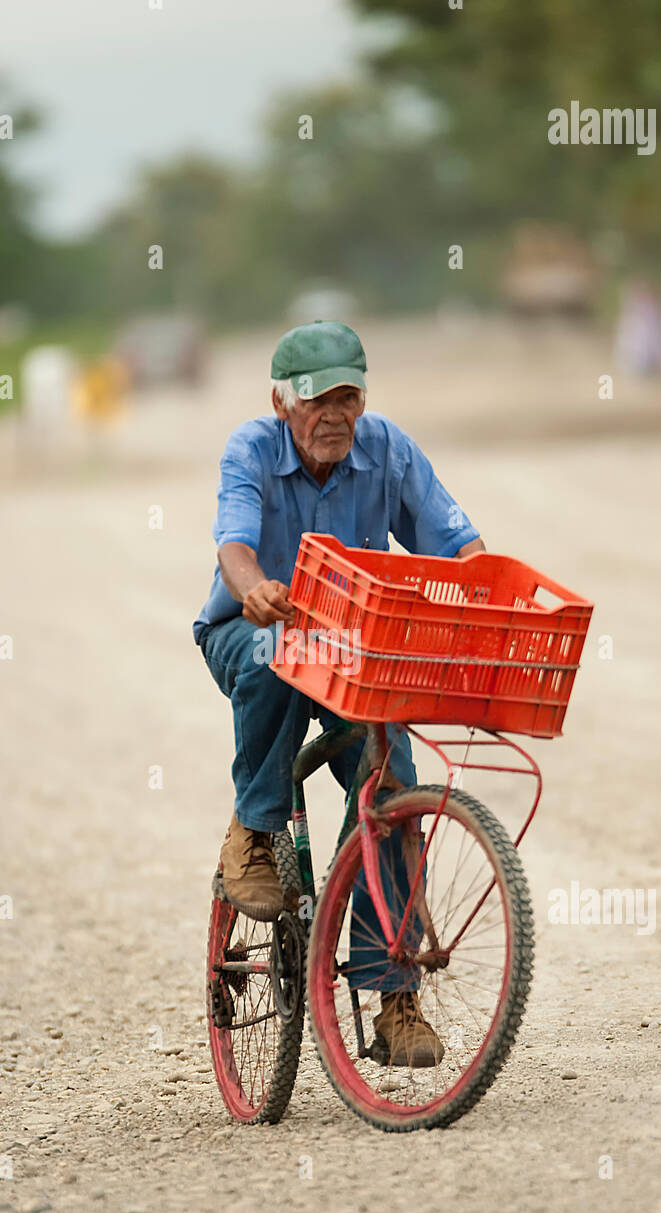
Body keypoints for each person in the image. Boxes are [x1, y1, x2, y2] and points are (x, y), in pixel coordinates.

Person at [193, 321, 485, 1064]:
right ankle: (254, 831)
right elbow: (234, 543)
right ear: (281, 402)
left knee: (389, 784)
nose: (335, 415)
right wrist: (255, 586)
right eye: (317, 400)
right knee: (272, 655)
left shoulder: (385, 447)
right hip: (251, 631)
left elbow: (455, 542)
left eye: (348, 396)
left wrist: (488, 586)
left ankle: (394, 997)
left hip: (349, 652)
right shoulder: (250, 449)